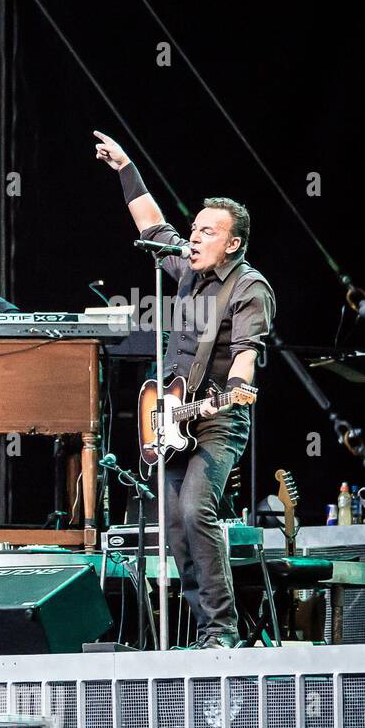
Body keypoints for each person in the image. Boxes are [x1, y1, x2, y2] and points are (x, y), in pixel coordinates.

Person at [93, 131, 275, 649]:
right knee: (173, 525)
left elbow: (246, 353)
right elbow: (152, 222)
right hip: (173, 417)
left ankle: (224, 634)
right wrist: (126, 165)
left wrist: (238, 386)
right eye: (194, 229)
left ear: (233, 243)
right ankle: (202, 632)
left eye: (207, 232)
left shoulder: (250, 288)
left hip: (217, 418)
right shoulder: (186, 272)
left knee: (198, 510)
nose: (193, 238)